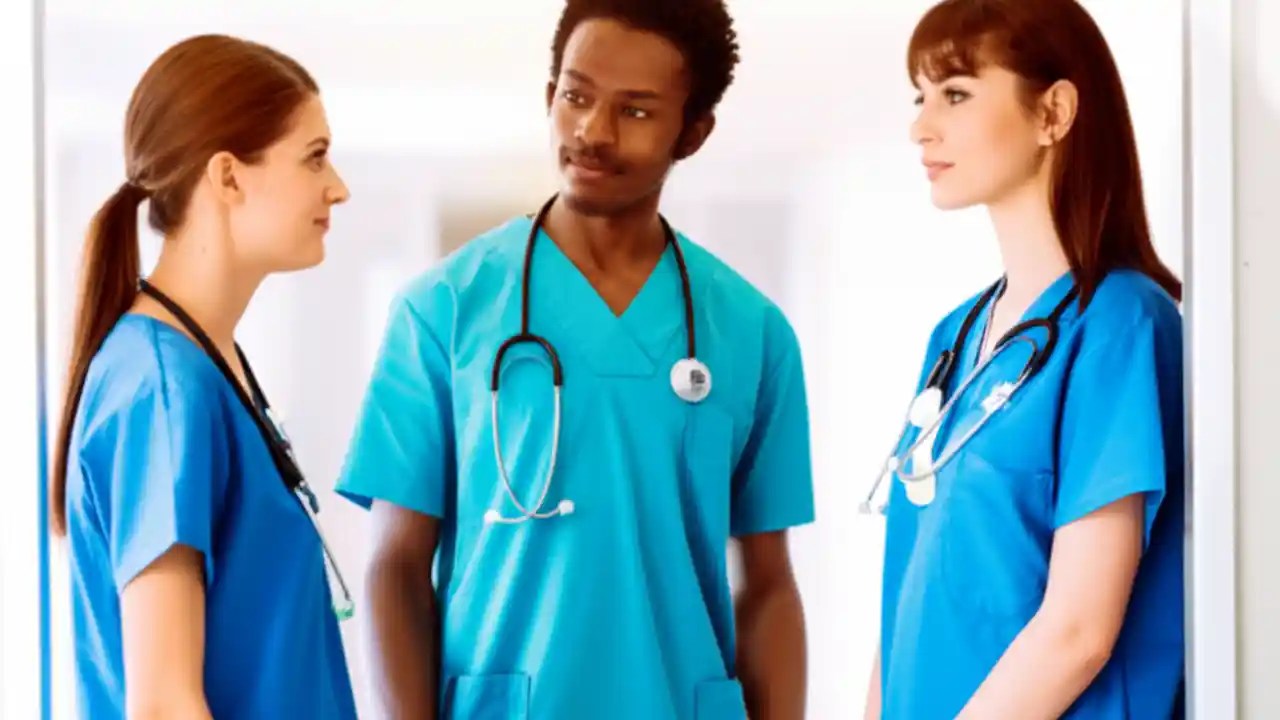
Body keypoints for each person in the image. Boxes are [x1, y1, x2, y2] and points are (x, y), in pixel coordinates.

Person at [336, 1, 814, 718]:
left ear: (695, 132)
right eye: (576, 95)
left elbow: (768, 583)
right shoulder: (441, 312)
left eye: (638, 111)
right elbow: (395, 566)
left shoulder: (752, 333)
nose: (592, 131)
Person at [863, 1, 1185, 718]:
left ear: (1054, 113)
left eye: (955, 94)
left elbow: (1079, 632)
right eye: (921, 98)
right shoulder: (955, 337)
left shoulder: (1119, 323)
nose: (921, 126)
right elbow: (909, 597)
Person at [51, 34, 355, 719]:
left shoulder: (203, 371)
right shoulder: (161, 391)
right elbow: (163, 705)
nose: (338, 186)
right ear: (227, 177)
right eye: (315, 157)